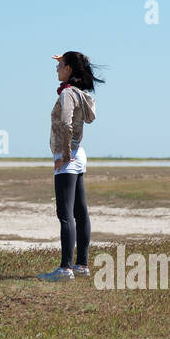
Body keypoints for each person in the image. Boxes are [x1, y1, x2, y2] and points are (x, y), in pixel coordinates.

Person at [38, 51, 103, 281]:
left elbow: (65, 123)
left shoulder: (67, 94)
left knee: (65, 214)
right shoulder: (79, 93)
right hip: (79, 154)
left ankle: (65, 269)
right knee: (80, 213)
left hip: (69, 156)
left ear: (69, 70)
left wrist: (63, 155)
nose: (56, 69)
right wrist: (65, 58)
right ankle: (82, 266)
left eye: (60, 66)